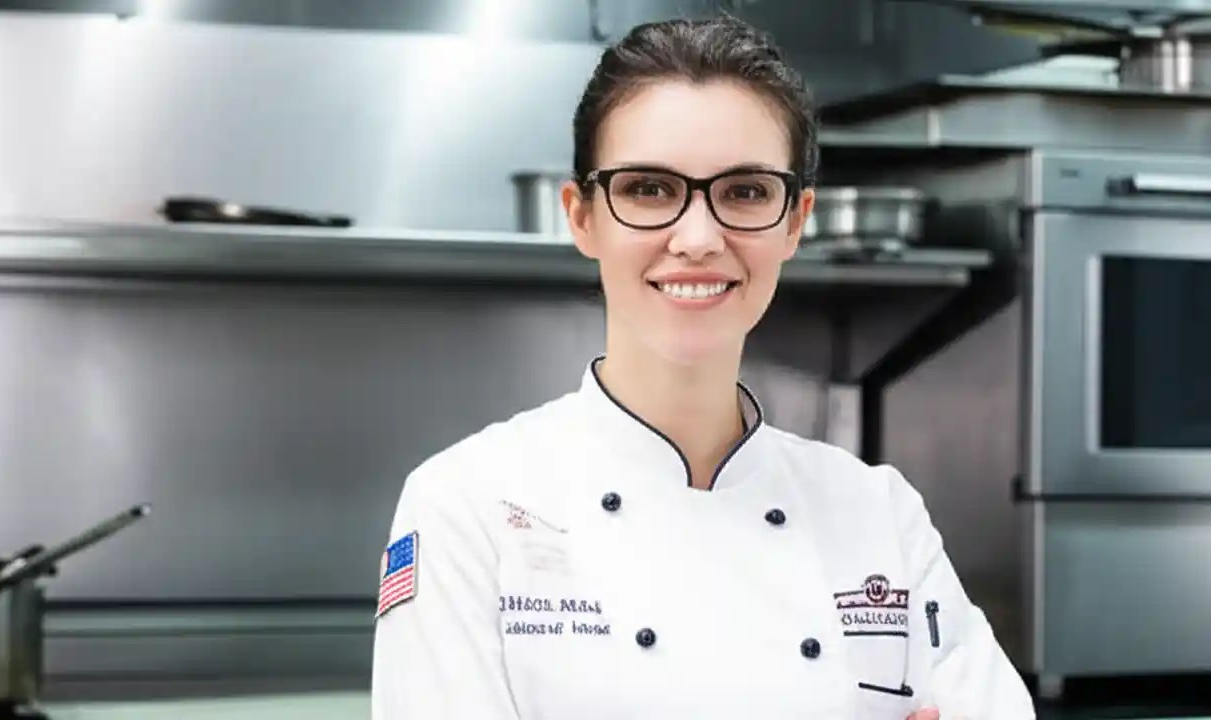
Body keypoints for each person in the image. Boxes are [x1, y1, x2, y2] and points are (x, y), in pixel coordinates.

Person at [370, 14, 1034, 720]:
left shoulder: (878, 515)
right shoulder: (469, 508)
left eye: (745, 192)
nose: (696, 238)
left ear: (795, 221)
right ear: (583, 217)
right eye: (649, 189)